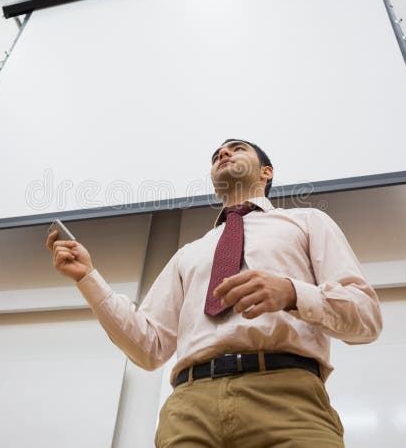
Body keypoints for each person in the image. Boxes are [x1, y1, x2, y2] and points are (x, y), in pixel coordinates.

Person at [46, 139, 382, 447]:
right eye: (216, 155)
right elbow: (149, 346)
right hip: (189, 409)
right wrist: (88, 278)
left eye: (236, 148)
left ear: (267, 172)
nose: (223, 154)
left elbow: (366, 317)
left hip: (288, 396)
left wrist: (293, 293)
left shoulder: (307, 222)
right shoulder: (189, 253)